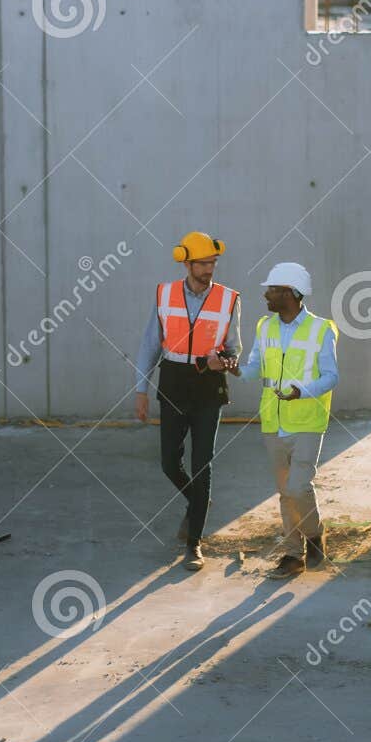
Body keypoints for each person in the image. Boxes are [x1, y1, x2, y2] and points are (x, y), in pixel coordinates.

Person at [132, 232, 241, 572]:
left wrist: (224, 360)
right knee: (168, 462)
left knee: (202, 464)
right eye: (203, 263)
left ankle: (194, 544)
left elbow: (233, 349)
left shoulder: (229, 299)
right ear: (186, 261)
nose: (210, 269)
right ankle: (198, 501)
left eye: (213, 263)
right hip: (174, 382)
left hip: (209, 386)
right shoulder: (164, 294)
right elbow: (151, 343)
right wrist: (141, 389)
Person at [238, 262, 338, 579]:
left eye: (273, 290)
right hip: (273, 419)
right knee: (284, 492)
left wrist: (303, 392)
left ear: (292, 294)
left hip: (307, 420)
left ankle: (314, 533)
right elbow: (253, 369)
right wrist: (231, 368)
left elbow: (332, 376)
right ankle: (294, 555)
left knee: (298, 487)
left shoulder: (322, 329)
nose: (267, 294)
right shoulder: (264, 327)